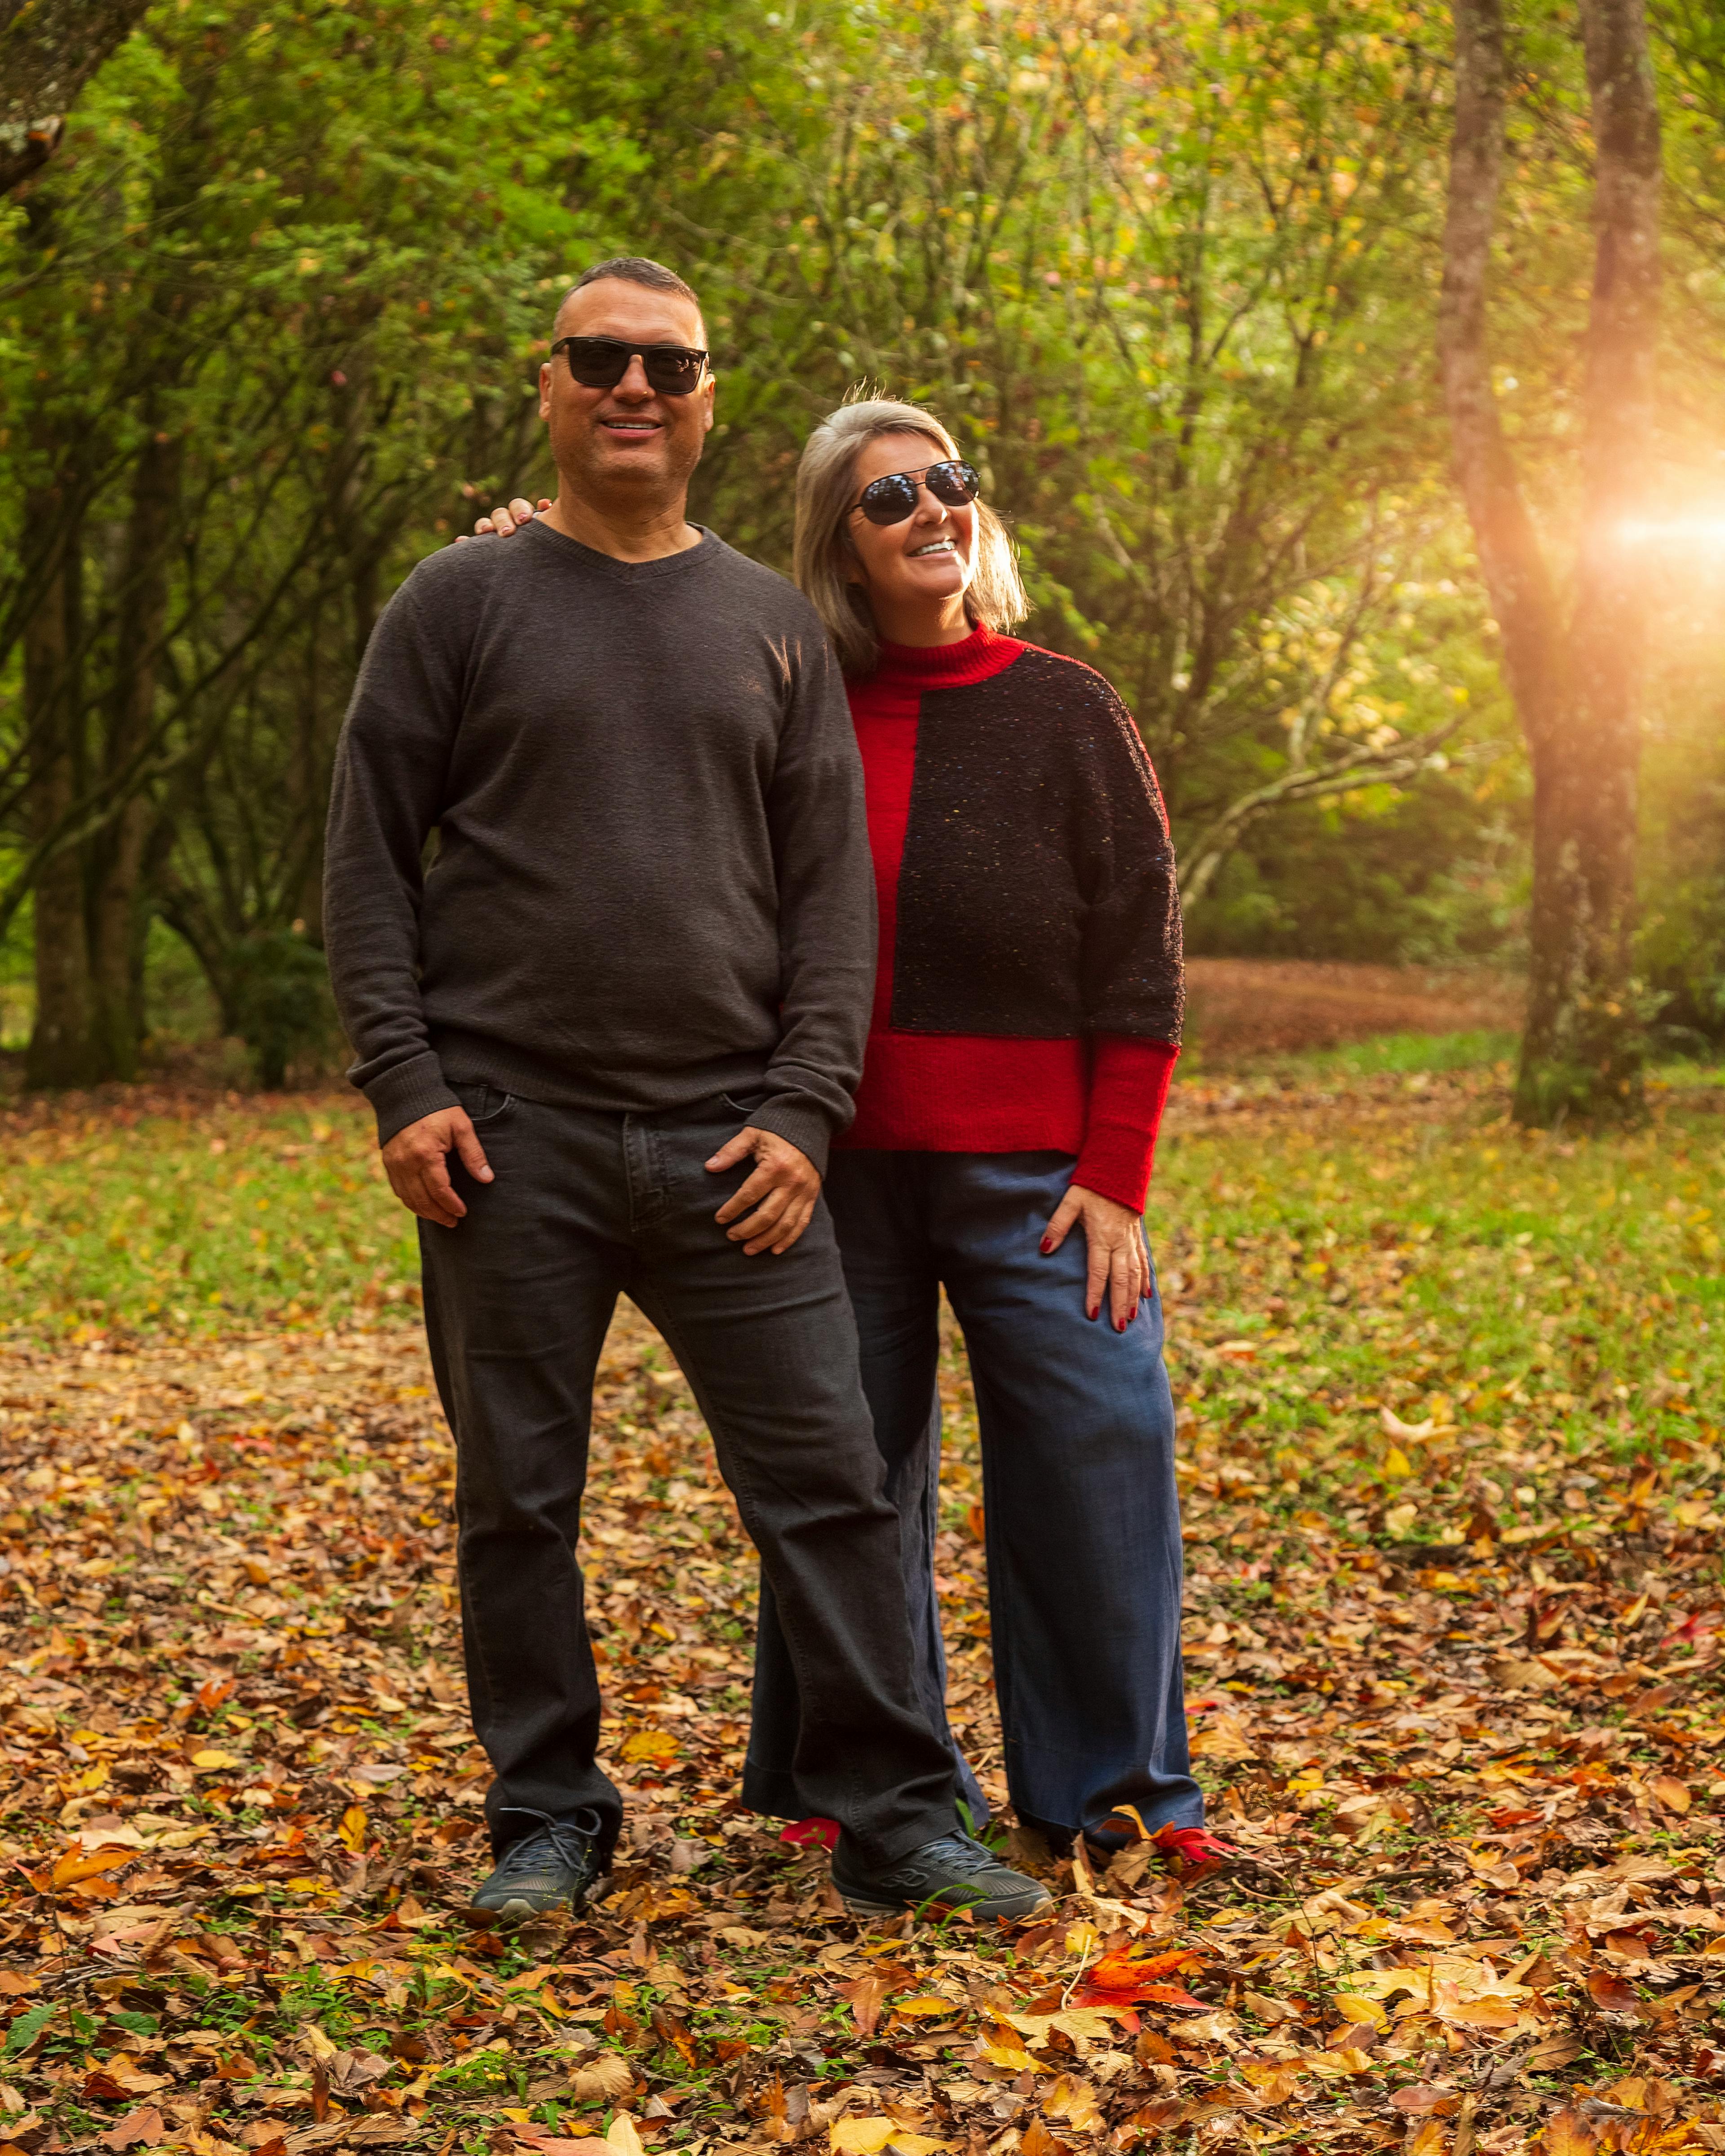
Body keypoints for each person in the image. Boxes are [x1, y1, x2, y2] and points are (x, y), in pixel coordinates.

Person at [324, 259, 1046, 1926]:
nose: (633, 387)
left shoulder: (770, 623)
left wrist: (802, 1109)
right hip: (510, 1141)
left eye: (668, 364)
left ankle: (895, 1818)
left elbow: (831, 898)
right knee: (518, 1497)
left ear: (712, 398)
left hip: (738, 1146)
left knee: (834, 1490)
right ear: (552, 384)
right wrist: (404, 1082)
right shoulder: (458, 599)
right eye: (600, 359)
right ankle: (548, 1816)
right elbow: (367, 858)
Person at [475, 394, 1216, 1871]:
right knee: (841, 1480)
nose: (932, 509)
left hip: (1038, 1178)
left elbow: (1143, 954)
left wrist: (1116, 1174)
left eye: (950, 480)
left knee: (1101, 1447)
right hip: (825, 1164)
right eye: (890, 497)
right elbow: (641, 648)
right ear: (839, 540)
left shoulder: (1069, 707)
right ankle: (861, 1778)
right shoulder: (785, 682)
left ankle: (1115, 1792)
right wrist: (527, 551)